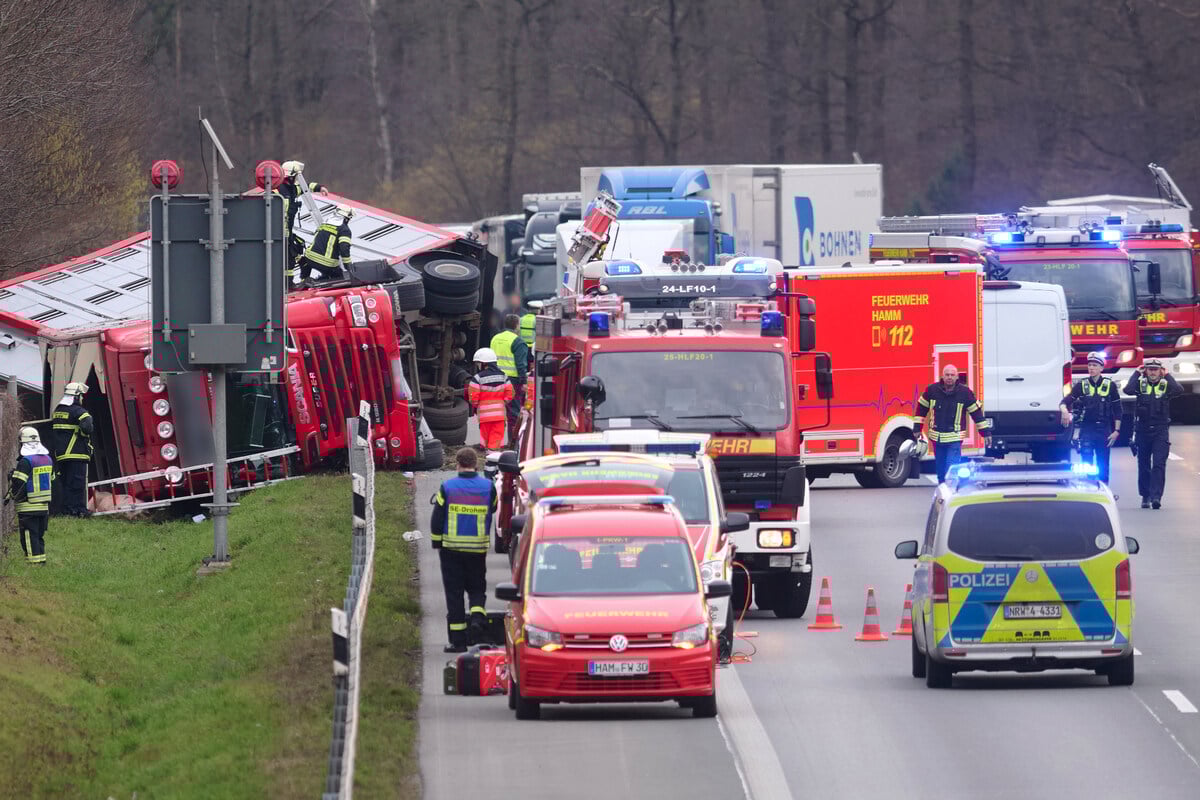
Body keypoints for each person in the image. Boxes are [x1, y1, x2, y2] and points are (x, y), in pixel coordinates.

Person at [430, 447, 496, 653]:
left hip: (451, 551)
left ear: (457, 464)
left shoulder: (448, 487)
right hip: (477, 550)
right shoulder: (488, 487)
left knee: (454, 594)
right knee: (477, 589)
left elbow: (437, 518)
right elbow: (493, 507)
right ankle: (477, 619)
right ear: (476, 464)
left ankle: (458, 641)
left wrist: (437, 543)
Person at [914, 364, 992, 483]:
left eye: (952, 375)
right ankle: (942, 489)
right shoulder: (932, 390)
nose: (949, 377)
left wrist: (985, 433)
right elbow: (921, 409)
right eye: (947, 375)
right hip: (937, 439)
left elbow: (976, 414)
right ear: (942, 376)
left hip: (954, 438)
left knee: (951, 468)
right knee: (940, 470)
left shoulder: (965, 393)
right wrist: (917, 428)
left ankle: (951, 489)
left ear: (957, 377)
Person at [1123, 358, 1183, 509]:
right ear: (1146, 371)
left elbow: (1179, 390)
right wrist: (1136, 373)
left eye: (1156, 369)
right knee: (1143, 464)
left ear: (1160, 371)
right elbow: (1127, 390)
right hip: (1142, 430)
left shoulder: (1165, 384)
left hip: (1160, 430)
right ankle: (1145, 495)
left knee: (1158, 464)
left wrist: (1167, 375)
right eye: (1150, 369)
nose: (1153, 372)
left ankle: (1156, 497)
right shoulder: (1140, 385)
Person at [1061, 351, 1122, 483]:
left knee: (1103, 465)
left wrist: (1116, 431)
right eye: (1089, 365)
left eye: (1095, 365)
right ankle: (1089, 488)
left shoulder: (1110, 385)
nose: (1091, 368)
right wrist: (1064, 411)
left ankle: (1104, 490)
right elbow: (1065, 401)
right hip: (1087, 430)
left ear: (1101, 368)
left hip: (1104, 430)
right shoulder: (1082, 385)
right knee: (1086, 466)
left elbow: (1118, 409)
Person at [6, 427, 54, 564]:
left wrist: (12, 479)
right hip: (43, 507)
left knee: (28, 537)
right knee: (38, 536)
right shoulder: (48, 459)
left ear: (22, 443)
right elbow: (52, 479)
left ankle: (34, 564)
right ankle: (41, 562)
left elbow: (18, 485)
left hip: (28, 507)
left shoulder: (25, 462)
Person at [278, 160, 326, 284]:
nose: (296, 179)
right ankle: (286, 284)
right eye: (295, 177)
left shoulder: (293, 189)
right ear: (291, 176)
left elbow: (305, 187)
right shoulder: (277, 191)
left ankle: (289, 283)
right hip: (277, 234)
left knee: (291, 256)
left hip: (287, 233)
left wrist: (319, 187)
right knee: (285, 259)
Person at [51, 381, 93, 517]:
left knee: (65, 483)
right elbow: (87, 427)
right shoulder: (79, 411)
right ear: (76, 396)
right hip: (76, 453)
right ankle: (77, 510)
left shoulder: (58, 411)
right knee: (77, 483)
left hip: (61, 454)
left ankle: (66, 510)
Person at [490, 314, 529, 446]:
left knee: (495, 412)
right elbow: (520, 365)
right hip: (512, 381)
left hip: (494, 378)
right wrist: (524, 382)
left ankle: (493, 443)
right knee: (513, 413)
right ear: (517, 325)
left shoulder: (495, 338)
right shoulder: (518, 342)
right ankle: (512, 443)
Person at [466, 347, 514, 452]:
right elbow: (510, 394)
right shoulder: (503, 376)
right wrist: (502, 403)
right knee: (495, 439)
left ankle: (486, 454)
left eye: (479, 363)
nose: (478, 366)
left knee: (485, 438)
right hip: (499, 415)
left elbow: (473, 398)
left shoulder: (477, 378)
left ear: (484, 363)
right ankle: (492, 455)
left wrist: (478, 406)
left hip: (484, 416)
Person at [298, 205, 354, 286]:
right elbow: (344, 249)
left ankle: (308, 280)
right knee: (340, 280)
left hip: (309, 258)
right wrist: (348, 266)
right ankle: (320, 283)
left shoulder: (324, 224)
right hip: (327, 263)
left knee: (324, 272)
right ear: (346, 218)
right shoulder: (344, 230)